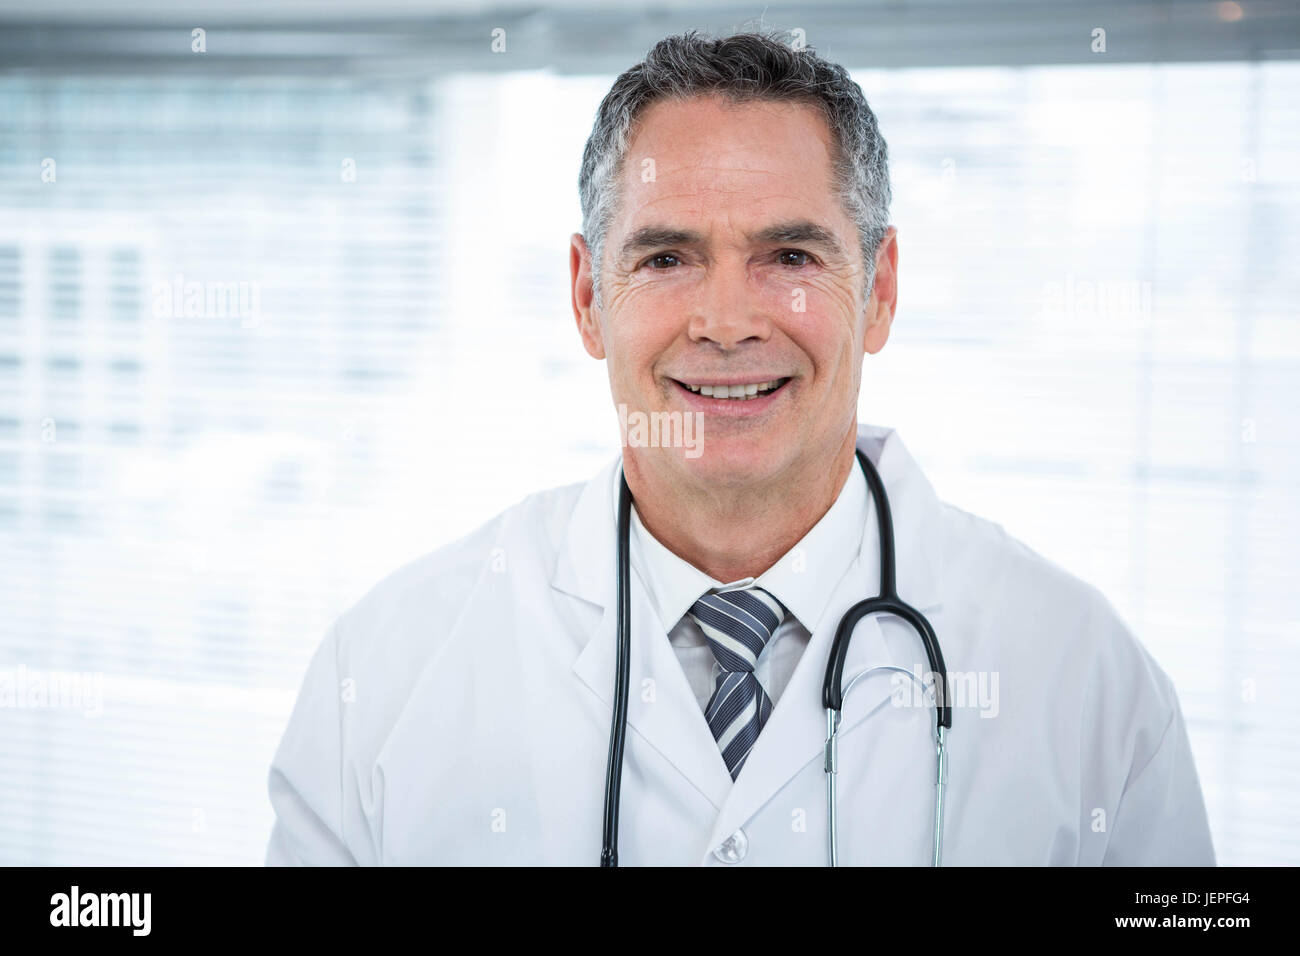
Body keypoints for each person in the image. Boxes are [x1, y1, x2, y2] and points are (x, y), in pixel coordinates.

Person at [264, 29, 1215, 866]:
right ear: (589, 297)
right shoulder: (384, 675)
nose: (725, 323)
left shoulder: (1084, 681)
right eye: (667, 258)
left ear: (879, 290)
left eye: (790, 257)